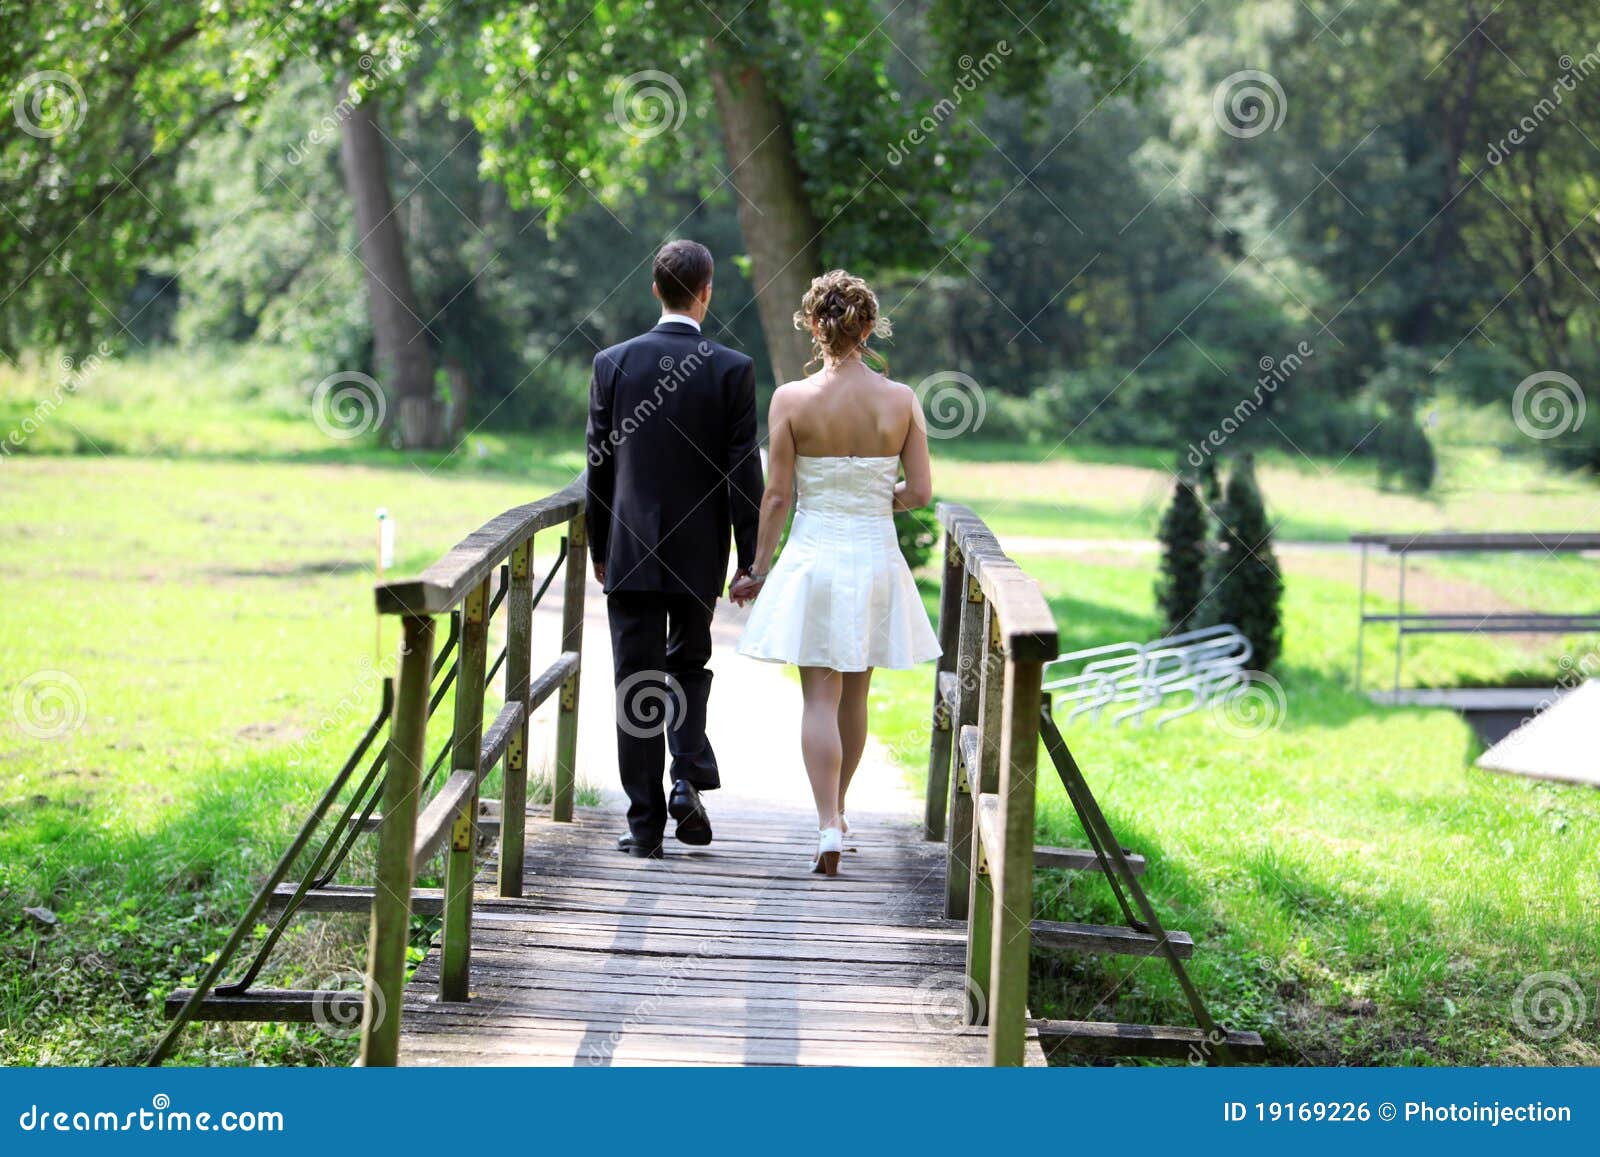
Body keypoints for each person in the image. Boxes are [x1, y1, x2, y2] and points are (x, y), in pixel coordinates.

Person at [732, 270, 941, 876]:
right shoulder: (900, 400)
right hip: (875, 557)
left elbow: (776, 497)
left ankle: (827, 821)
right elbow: (922, 491)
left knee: (818, 695)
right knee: (857, 692)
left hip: (814, 558)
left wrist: (757, 569)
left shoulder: (790, 401)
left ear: (813, 326)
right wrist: (876, 500)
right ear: (869, 327)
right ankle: (841, 812)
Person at [586, 239, 764, 859]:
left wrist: (596, 544)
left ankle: (644, 829)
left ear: (653, 289)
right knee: (688, 665)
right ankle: (686, 775)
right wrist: (751, 558)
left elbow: (598, 466)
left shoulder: (614, 362)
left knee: (635, 682)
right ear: (707, 291)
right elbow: (744, 473)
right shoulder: (732, 369)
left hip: (629, 548)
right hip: (698, 554)